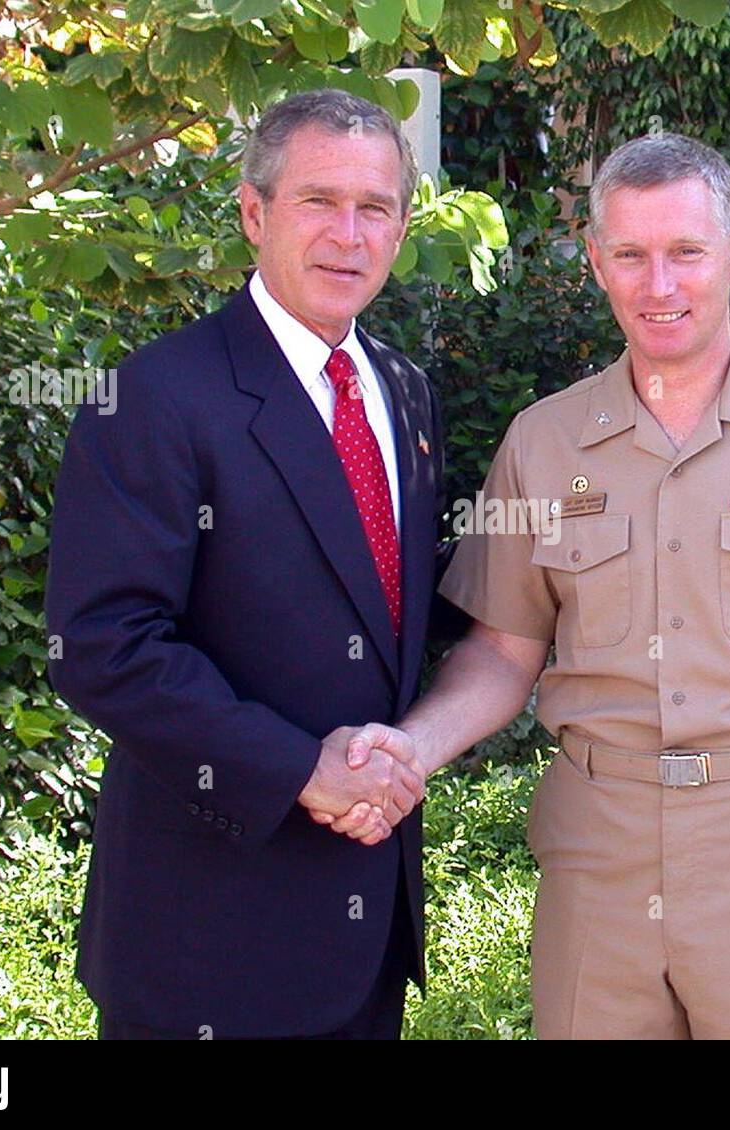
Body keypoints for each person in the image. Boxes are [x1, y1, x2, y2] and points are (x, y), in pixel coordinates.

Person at [322, 133, 730, 1039]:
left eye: (686, 253)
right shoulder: (545, 444)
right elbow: (505, 651)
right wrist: (409, 749)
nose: (658, 286)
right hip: (599, 859)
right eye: (630, 255)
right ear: (596, 263)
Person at [45, 89, 445, 1040]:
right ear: (254, 213)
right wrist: (300, 769)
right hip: (205, 943)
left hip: (366, 933)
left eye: (376, 207)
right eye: (319, 201)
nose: (349, 234)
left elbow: (398, 610)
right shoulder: (152, 396)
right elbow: (101, 645)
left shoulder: (406, 393)